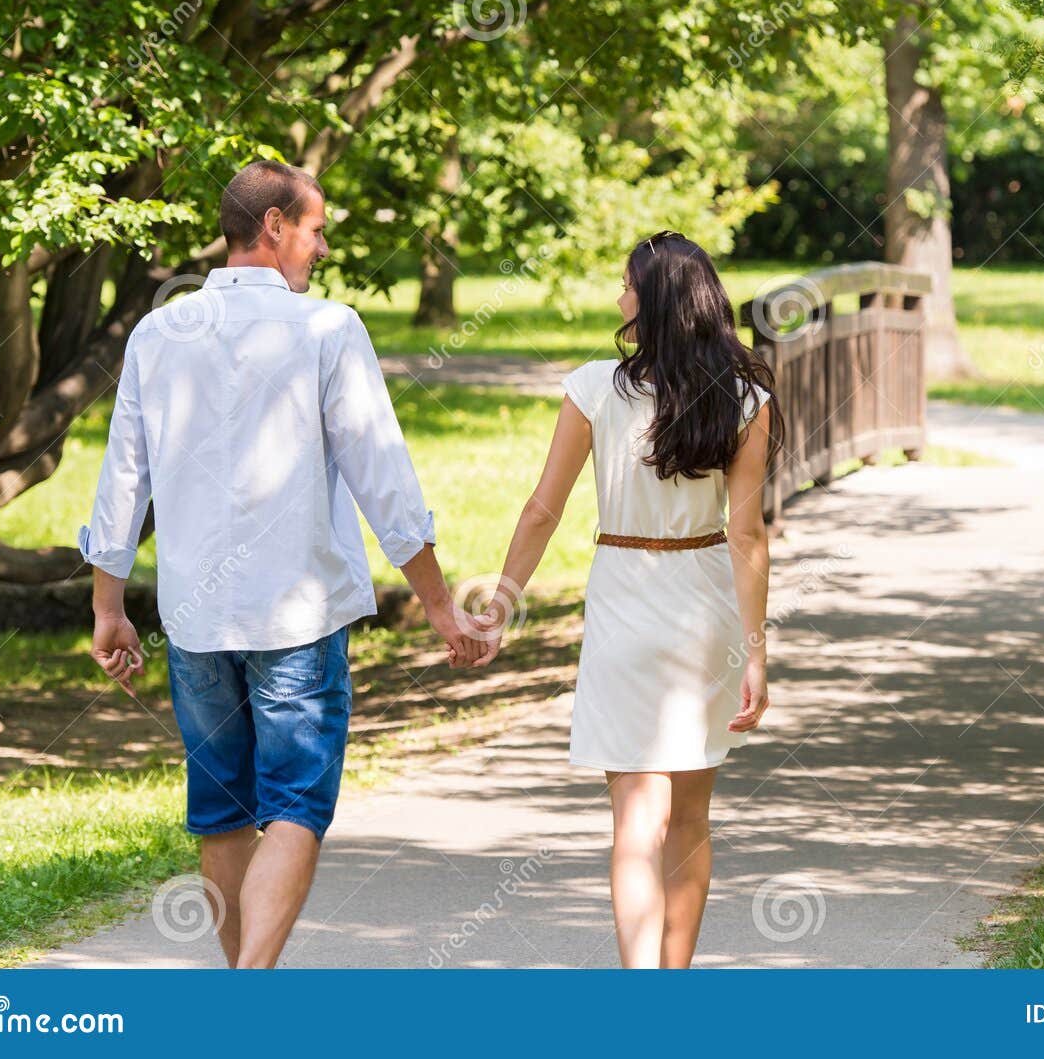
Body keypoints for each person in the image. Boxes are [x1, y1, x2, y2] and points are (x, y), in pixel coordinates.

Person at [79, 159, 486, 969]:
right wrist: (441, 606)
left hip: (195, 620)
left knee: (222, 812)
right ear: (274, 227)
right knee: (296, 805)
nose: (322, 248)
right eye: (315, 230)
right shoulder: (329, 329)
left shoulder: (158, 335)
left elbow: (123, 478)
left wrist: (108, 606)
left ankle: (244, 994)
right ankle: (253, 990)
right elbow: (384, 478)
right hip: (298, 618)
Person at [477, 230, 782, 968]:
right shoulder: (745, 398)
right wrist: (756, 653)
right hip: (705, 608)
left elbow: (543, 509)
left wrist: (502, 603)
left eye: (626, 286)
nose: (619, 298)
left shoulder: (594, 388)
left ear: (652, 302)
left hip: (622, 599)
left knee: (636, 825)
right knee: (691, 823)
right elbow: (748, 536)